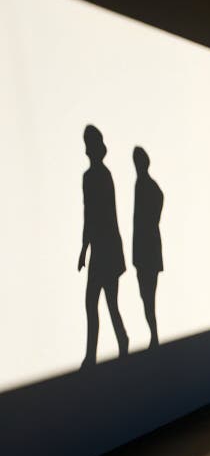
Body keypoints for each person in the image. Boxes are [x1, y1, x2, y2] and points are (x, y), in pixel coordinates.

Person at [78, 125, 128, 367]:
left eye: (87, 144)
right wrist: (84, 249)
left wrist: (84, 249)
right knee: (99, 302)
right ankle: (99, 351)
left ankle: (95, 353)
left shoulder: (97, 177)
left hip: (104, 249)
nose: (86, 149)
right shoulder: (94, 176)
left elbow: (95, 216)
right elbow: (90, 216)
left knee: (101, 302)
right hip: (103, 249)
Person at [133, 147, 164, 348]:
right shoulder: (142, 184)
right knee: (146, 295)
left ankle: (154, 335)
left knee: (148, 295)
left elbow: (159, 200)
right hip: (144, 250)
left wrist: (153, 221)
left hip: (147, 250)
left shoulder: (146, 185)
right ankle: (154, 334)